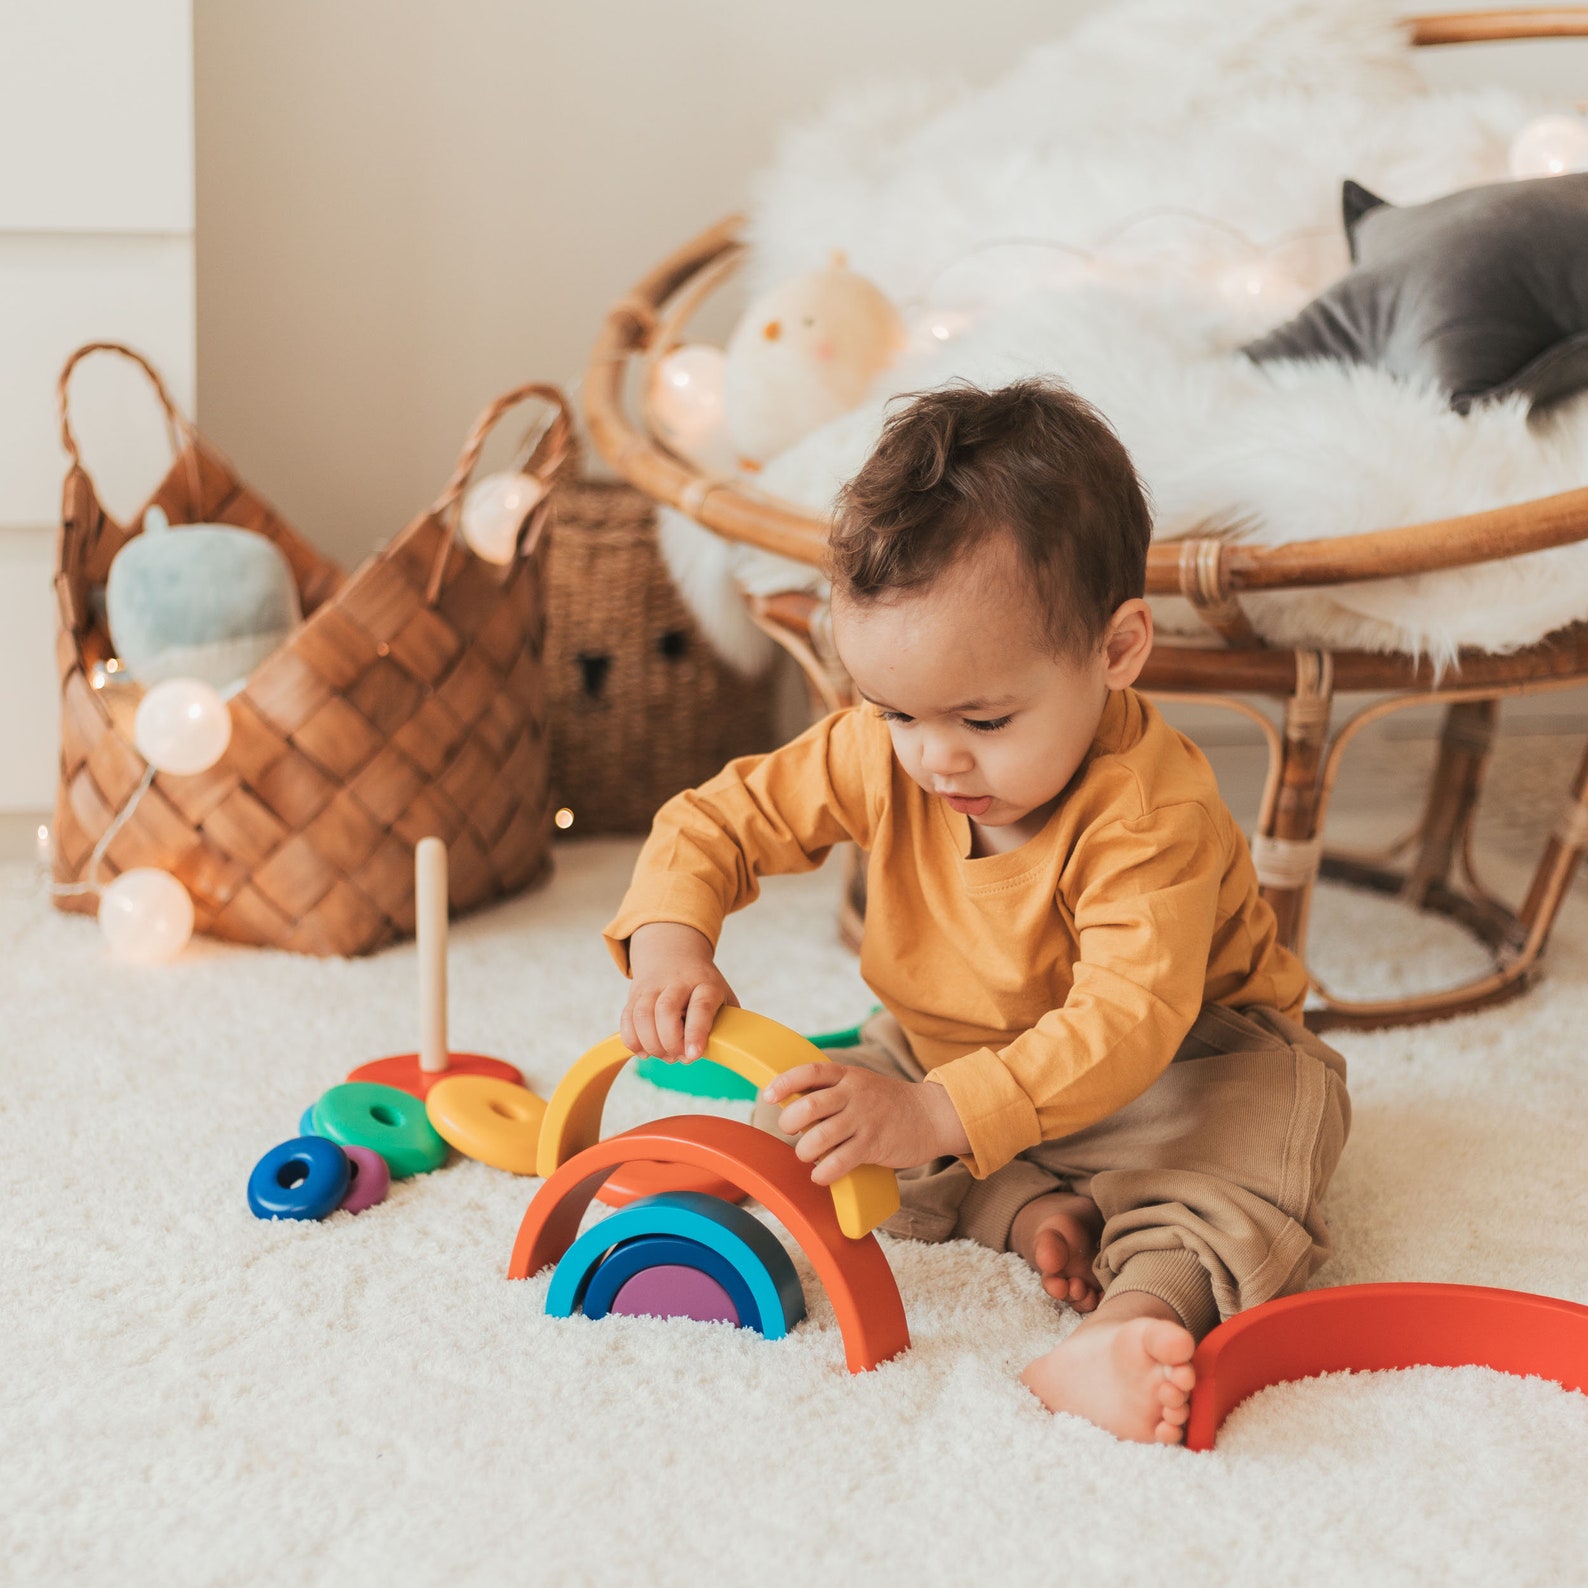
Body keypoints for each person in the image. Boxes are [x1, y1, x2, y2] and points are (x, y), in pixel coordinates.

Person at [602, 378, 1350, 1444]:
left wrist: (936, 1117)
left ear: (1117, 650)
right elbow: (717, 820)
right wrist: (671, 941)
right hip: (948, 1051)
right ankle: (1024, 1208)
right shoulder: (887, 751)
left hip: (1181, 1065)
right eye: (894, 711)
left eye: (984, 720)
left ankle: (1133, 1317)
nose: (934, 757)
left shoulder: (1152, 814)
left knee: (1255, 1156)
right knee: (825, 1119)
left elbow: (1126, 1021)